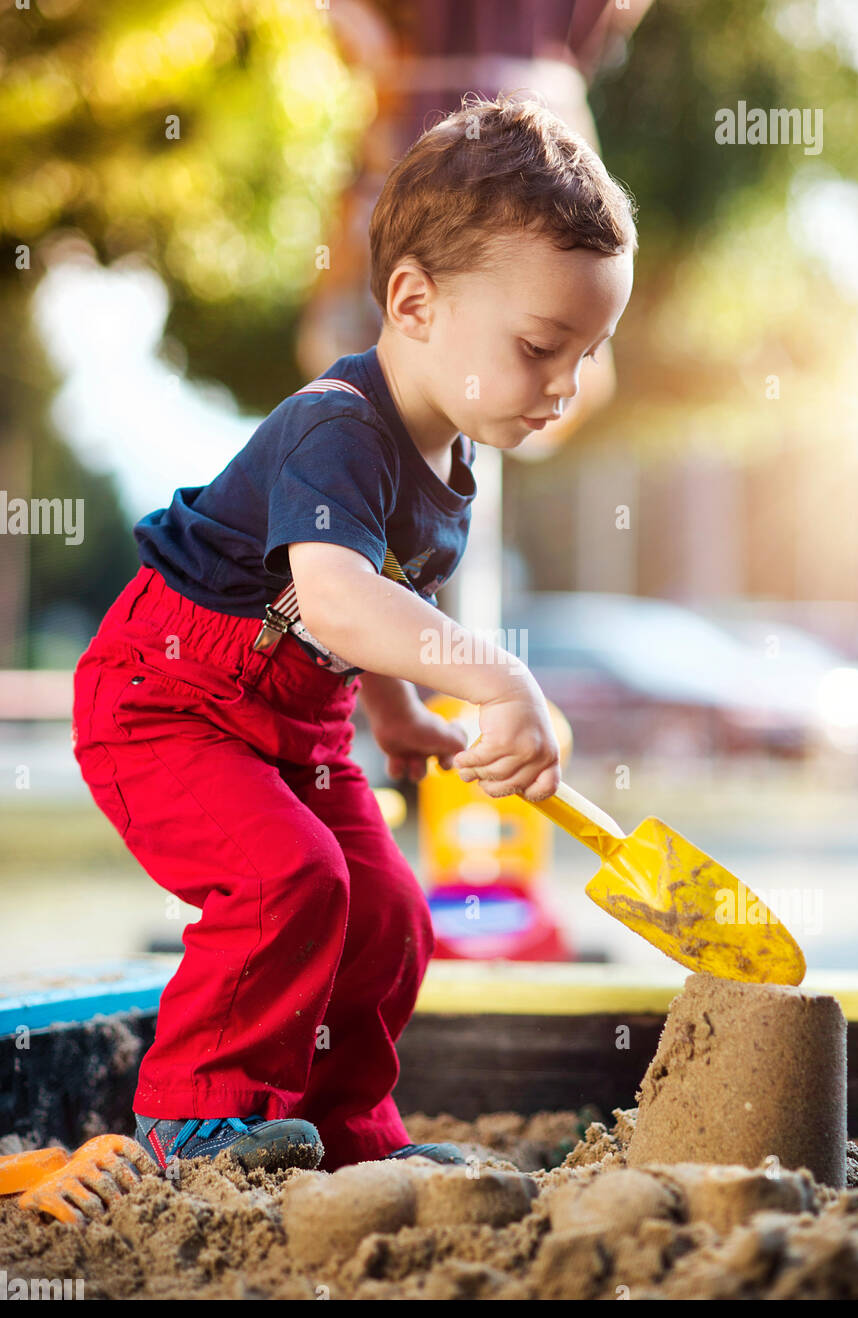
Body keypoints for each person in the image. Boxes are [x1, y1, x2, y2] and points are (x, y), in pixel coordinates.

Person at [71, 93, 637, 1174]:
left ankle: (339, 1129)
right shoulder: (336, 428)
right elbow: (331, 598)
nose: (567, 386)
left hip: (299, 727)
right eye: (540, 346)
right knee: (292, 879)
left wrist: (403, 712)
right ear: (414, 302)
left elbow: (372, 623)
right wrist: (495, 675)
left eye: (588, 352)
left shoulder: (455, 475)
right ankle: (196, 1122)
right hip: (167, 703)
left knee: (388, 913)